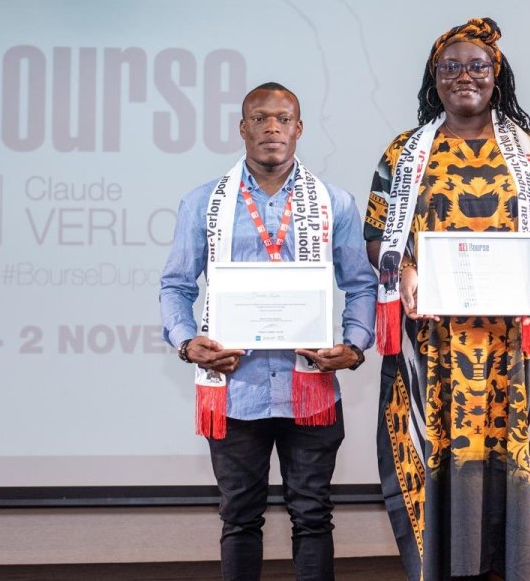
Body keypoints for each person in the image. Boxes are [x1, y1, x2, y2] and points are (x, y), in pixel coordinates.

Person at [365, 17, 530, 581]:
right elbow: (377, 236)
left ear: (497, 75)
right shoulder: (404, 153)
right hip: (436, 348)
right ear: (434, 80)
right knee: (440, 468)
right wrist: (405, 269)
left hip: (515, 352)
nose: (465, 76)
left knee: (518, 468)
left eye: (478, 66)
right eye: (451, 67)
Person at [159, 82, 377, 580]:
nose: (272, 127)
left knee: (314, 517)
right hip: (236, 391)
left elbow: (361, 284)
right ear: (243, 129)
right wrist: (186, 342)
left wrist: (355, 345)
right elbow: (175, 284)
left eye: (283, 118)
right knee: (238, 520)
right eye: (259, 118)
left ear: (299, 129)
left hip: (312, 388)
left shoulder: (335, 203)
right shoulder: (203, 203)